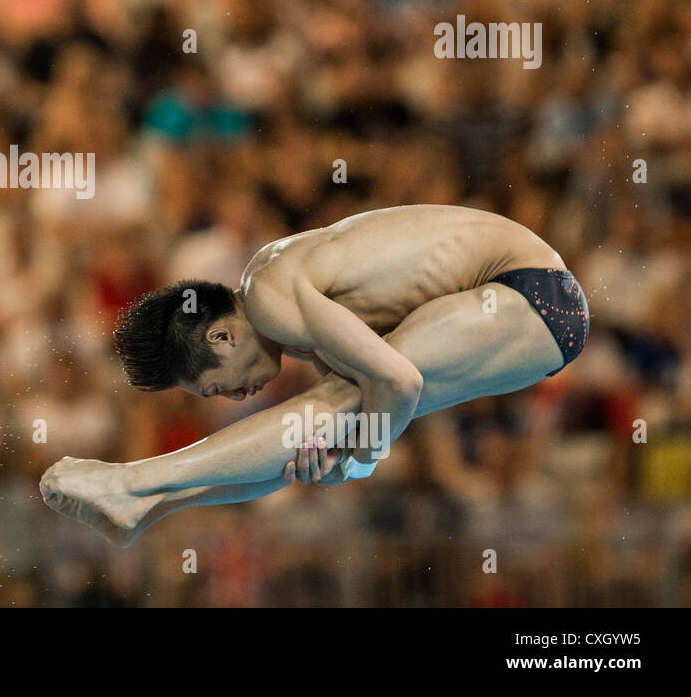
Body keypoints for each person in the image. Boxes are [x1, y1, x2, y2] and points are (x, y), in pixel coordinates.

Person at [39, 204, 589, 546]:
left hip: (528, 293)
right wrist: (346, 455)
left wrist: (362, 458)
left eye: (217, 386)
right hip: (536, 311)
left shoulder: (269, 292)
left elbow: (399, 385)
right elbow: (340, 425)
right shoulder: (296, 314)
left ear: (221, 337)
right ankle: (157, 505)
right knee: (324, 426)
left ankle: (133, 481)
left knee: (338, 403)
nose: (236, 397)